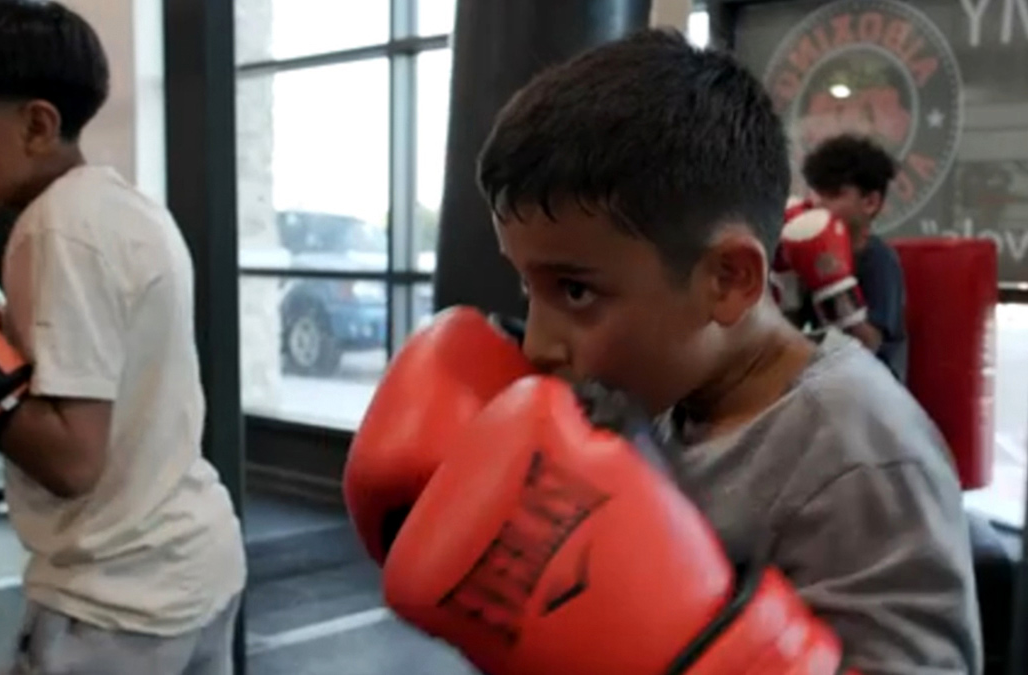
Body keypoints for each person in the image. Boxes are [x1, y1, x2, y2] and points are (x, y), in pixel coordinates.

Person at [371, 30, 978, 673]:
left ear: (729, 279)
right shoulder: (652, 398)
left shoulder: (857, 458)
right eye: (530, 286)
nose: (541, 342)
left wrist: (698, 642)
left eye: (575, 290)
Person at [0, 2, 245, 673]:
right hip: (192, 560)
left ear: (36, 125)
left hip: (112, 600)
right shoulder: (119, 206)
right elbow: (71, 361)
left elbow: (71, 460)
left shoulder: (56, 230)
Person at [797, 134, 909, 382]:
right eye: (815, 193)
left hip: (874, 394)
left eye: (834, 194)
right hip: (824, 384)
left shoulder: (877, 260)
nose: (817, 204)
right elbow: (791, 331)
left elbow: (869, 345)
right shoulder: (812, 256)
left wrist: (832, 287)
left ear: (870, 202)